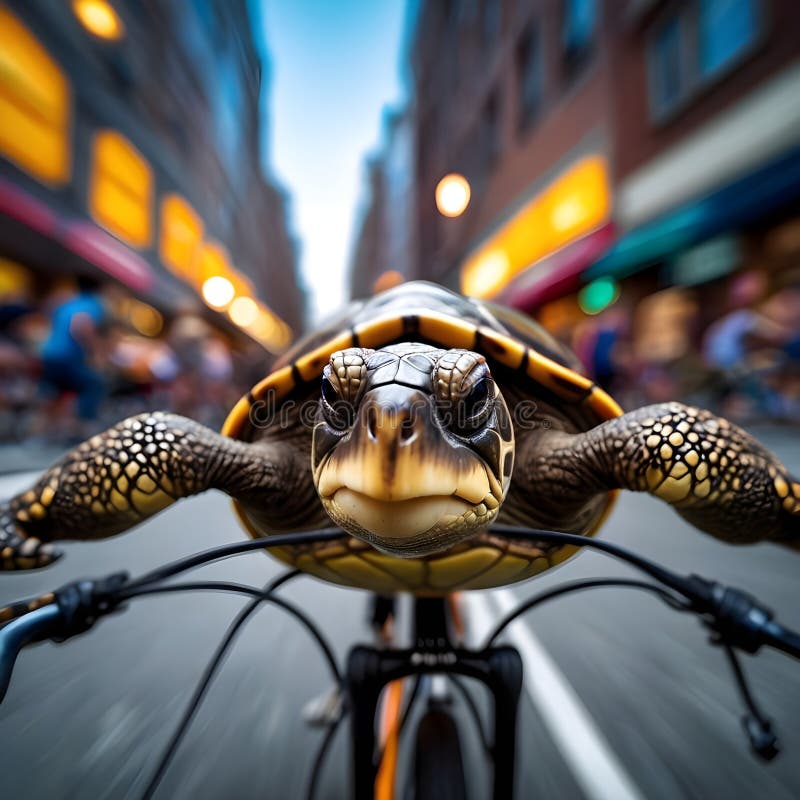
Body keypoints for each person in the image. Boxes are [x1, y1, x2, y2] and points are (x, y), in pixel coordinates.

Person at [40, 275, 107, 428]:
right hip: (67, 358)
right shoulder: (92, 304)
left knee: (55, 392)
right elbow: (80, 326)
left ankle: (47, 430)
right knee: (94, 384)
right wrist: (96, 352)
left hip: (49, 355)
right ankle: (81, 426)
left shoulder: (67, 303)